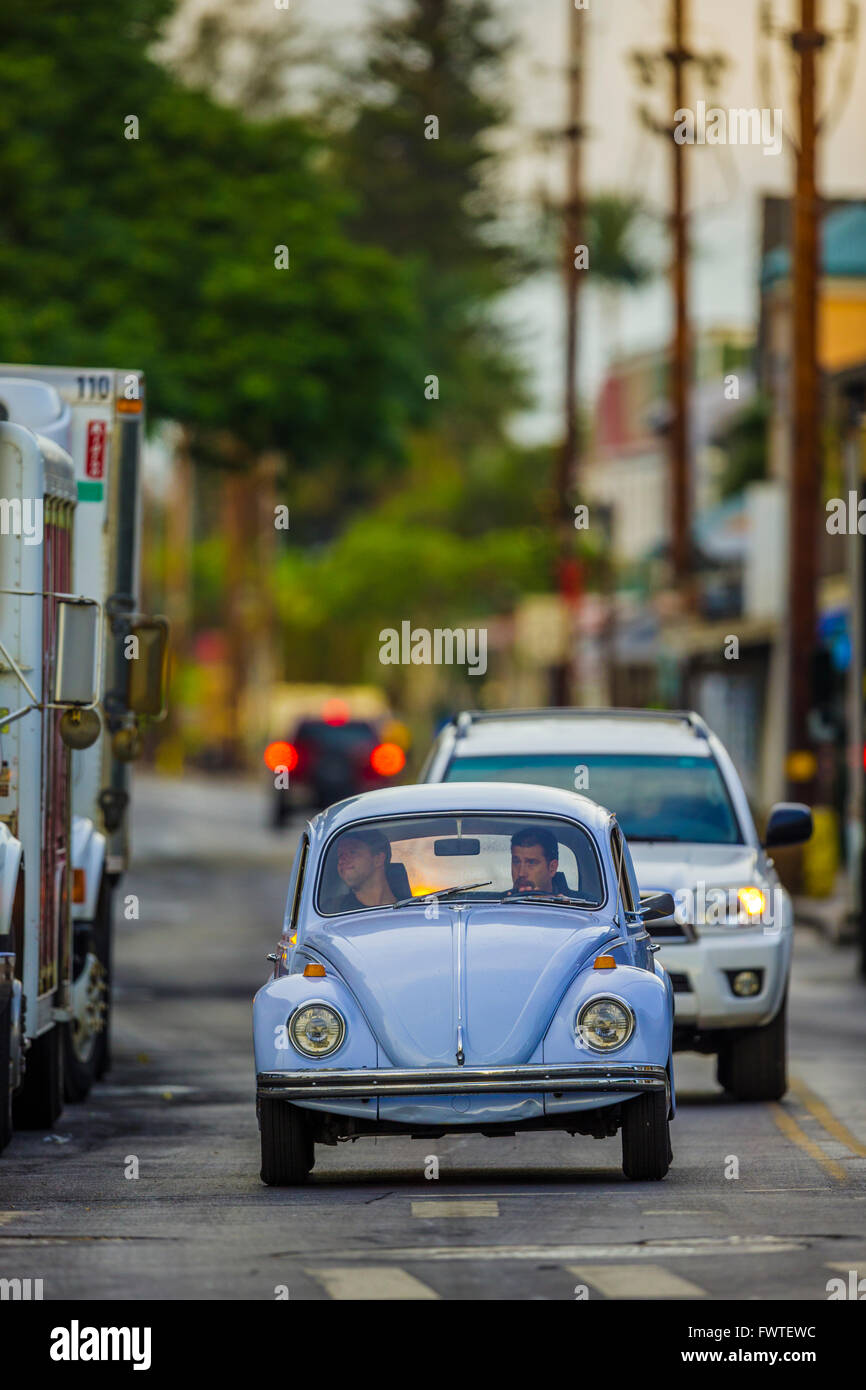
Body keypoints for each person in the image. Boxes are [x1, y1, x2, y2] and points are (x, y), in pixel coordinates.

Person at [333, 828, 397, 910]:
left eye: (352, 852)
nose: (342, 860)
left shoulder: (412, 906)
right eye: (340, 855)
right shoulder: (331, 911)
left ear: (378, 859)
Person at [510, 826, 559, 894]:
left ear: (552, 868)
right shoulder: (497, 902)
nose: (521, 873)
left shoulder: (569, 902)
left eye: (531, 862)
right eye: (516, 862)